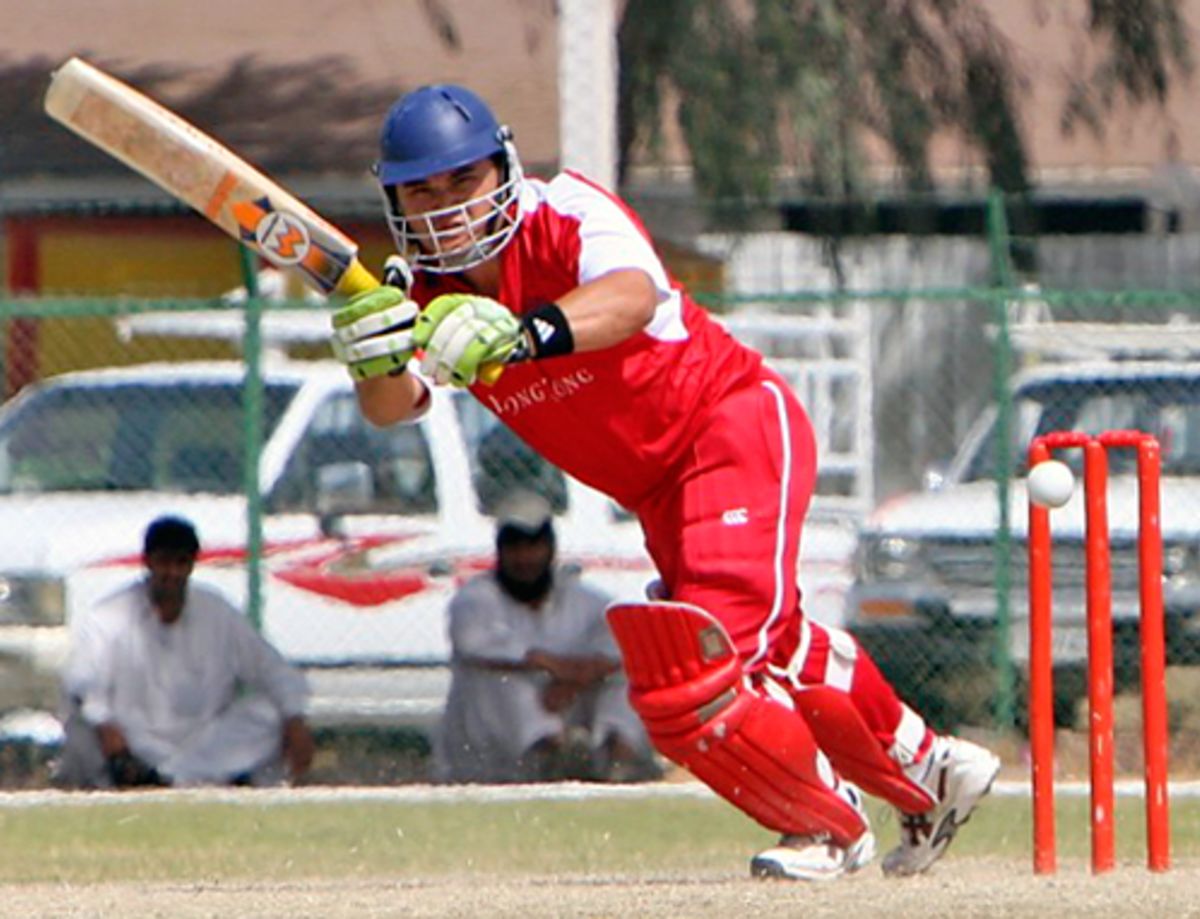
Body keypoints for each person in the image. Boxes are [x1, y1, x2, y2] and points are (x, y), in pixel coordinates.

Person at [330, 84, 1000, 880]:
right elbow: (394, 405)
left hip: (728, 425)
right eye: (422, 189)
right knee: (779, 644)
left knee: (700, 670)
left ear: (502, 167)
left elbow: (630, 297)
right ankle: (928, 771)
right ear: (394, 195)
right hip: (656, 491)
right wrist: (368, 355)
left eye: (462, 181)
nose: (445, 207)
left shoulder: (570, 210)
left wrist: (524, 332)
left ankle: (825, 826)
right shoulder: (420, 292)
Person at [54, 515, 315, 789]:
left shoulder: (216, 612)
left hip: (201, 743)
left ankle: (172, 779)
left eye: (181, 563)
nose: (172, 573)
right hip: (131, 741)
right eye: (164, 563)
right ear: (148, 563)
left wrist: (295, 722)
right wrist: (113, 739)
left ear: (192, 565)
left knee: (269, 713)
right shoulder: (110, 616)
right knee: (81, 721)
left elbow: (272, 669)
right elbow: (84, 684)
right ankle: (183, 779)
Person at [433, 490, 657, 784]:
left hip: (572, 715)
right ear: (500, 551)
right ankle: (552, 755)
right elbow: (476, 644)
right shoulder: (474, 599)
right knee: (504, 681)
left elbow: (624, 647)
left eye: (534, 546)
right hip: (491, 759)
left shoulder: (584, 601)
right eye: (515, 547)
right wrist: (556, 667)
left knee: (624, 679)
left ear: (550, 548)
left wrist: (575, 680)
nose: (525, 558)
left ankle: (618, 764)